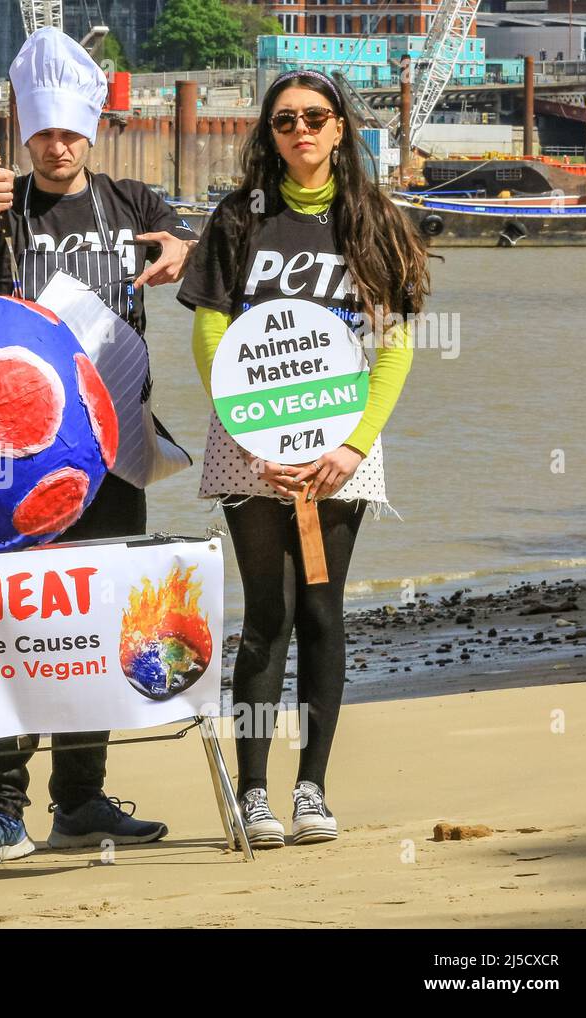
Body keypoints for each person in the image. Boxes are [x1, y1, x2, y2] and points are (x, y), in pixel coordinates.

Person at [0, 27, 198, 870]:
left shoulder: (132, 203)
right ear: (28, 136)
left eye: (69, 133)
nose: (56, 146)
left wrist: (180, 251)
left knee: (98, 617)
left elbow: (187, 252)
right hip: (15, 453)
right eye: (44, 134)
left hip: (114, 440)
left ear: (91, 133)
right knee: (14, 622)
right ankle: (2, 808)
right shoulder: (8, 205)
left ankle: (79, 800)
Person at [177, 69, 429, 849]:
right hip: (249, 441)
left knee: (322, 612)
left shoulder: (372, 220)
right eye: (285, 121)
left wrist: (355, 445)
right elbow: (211, 331)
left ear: (342, 128)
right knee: (267, 614)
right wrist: (249, 431)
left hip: (342, 447)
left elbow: (393, 345)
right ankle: (255, 794)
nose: (302, 132)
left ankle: (312, 787)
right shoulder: (238, 218)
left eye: (316, 118)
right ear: (269, 134)